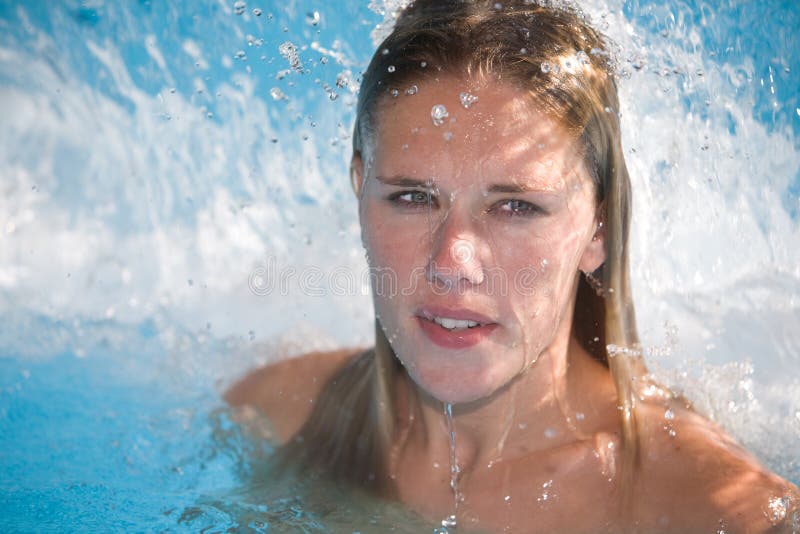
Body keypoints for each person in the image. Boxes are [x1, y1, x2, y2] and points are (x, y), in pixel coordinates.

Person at [225, 1, 799, 531]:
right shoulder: (271, 412)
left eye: (515, 206)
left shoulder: (718, 510)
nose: (452, 263)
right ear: (359, 189)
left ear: (598, 229)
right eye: (413, 197)